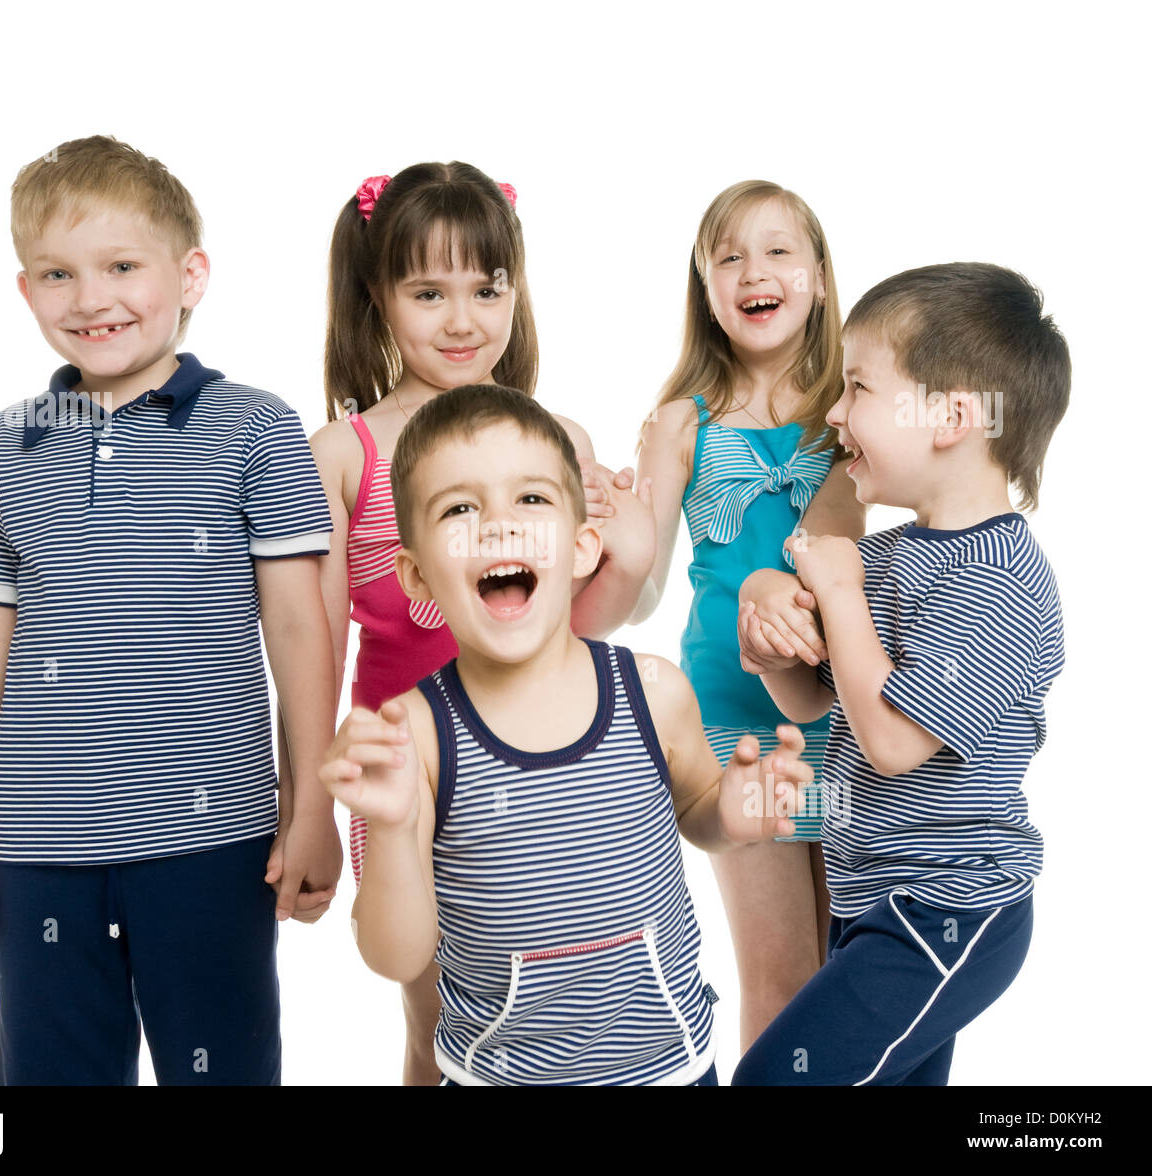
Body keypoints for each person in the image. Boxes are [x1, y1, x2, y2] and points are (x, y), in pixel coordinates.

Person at [0, 134, 340, 1084]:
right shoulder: (9, 443)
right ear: (25, 289)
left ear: (190, 275)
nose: (90, 297)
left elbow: (298, 632)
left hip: (211, 841)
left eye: (122, 266)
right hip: (37, 847)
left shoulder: (254, 426)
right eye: (57, 273)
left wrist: (310, 800)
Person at [322, 383, 813, 1085]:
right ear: (417, 575)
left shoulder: (652, 690)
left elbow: (701, 808)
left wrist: (734, 812)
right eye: (460, 508)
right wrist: (392, 827)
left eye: (530, 500)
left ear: (584, 545)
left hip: (669, 1069)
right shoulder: (417, 737)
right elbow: (396, 957)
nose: (498, 526)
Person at [302, 162, 650, 1084]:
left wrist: (639, 555)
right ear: (378, 296)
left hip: (549, 776)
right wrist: (311, 810)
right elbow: (312, 651)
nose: (463, 320)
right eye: (429, 291)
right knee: (437, 1025)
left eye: (487, 289)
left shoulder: (555, 441)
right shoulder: (344, 455)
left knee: (541, 1018)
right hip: (413, 777)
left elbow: (591, 623)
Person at [733, 262, 1068, 1085]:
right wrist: (770, 652)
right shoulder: (884, 558)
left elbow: (889, 740)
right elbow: (824, 700)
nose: (835, 412)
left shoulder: (1003, 581)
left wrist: (837, 589)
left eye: (858, 388)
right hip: (871, 899)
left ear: (952, 417)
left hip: (950, 910)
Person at [590, 181, 865, 1049]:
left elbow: (837, 557)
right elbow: (639, 597)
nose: (756, 270)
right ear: (705, 287)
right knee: (781, 971)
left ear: (818, 277)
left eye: (780, 250)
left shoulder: (852, 411)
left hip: (844, 707)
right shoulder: (679, 423)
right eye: (730, 255)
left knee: (851, 967)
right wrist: (616, 535)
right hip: (728, 721)